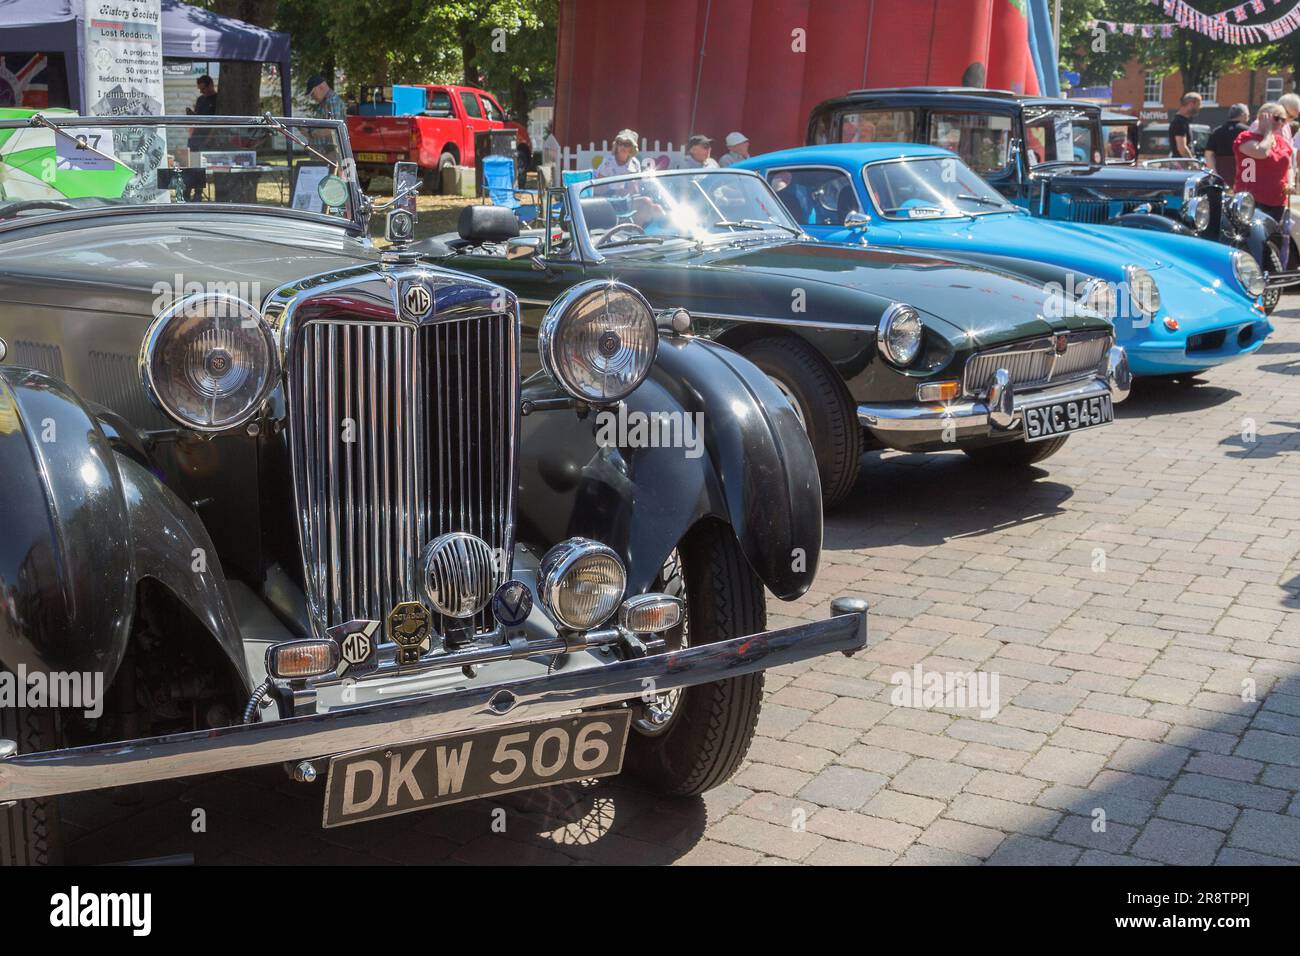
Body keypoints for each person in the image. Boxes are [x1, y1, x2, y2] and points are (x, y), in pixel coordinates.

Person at [1234, 102, 1293, 223]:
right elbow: (1262, 152)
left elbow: (1289, 167)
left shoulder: (1282, 142)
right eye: (1276, 118)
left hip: (1277, 201)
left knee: (1272, 238)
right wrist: (1268, 132)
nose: (1280, 123)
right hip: (1251, 201)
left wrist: (1291, 183)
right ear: (1261, 117)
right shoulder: (1245, 137)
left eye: (1283, 120)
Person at [183, 75, 217, 201]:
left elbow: (217, 122)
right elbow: (197, 119)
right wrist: (191, 115)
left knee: (200, 168)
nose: (201, 92)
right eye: (200, 89)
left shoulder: (217, 99)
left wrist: (209, 138)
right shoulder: (200, 100)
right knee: (190, 166)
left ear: (210, 85)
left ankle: (198, 194)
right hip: (195, 138)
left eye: (203, 89)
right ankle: (186, 194)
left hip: (207, 138)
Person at [1204, 103, 1249, 185]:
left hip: (1222, 172)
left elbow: (1208, 154)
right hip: (1243, 173)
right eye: (1247, 116)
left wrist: (1214, 174)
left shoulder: (1217, 131)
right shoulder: (1247, 131)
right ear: (1243, 115)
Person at [1169, 91, 1202, 158]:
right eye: (1198, 104)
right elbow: (1182, 148)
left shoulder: (1182, 121)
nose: (1200, 107)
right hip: (1181, 165)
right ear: (1191, 104)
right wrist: (1193, 164)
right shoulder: (1179, 122)